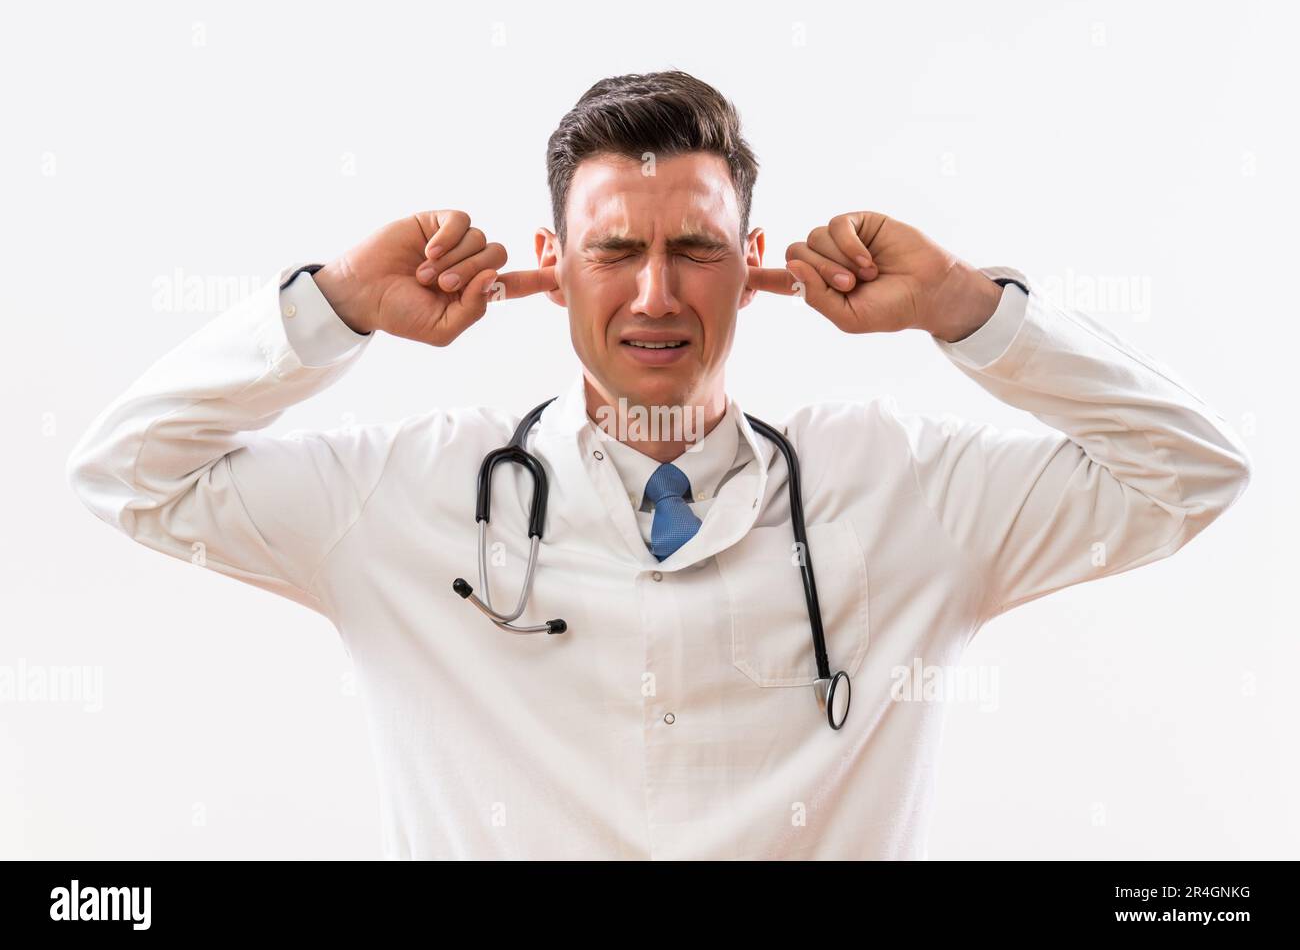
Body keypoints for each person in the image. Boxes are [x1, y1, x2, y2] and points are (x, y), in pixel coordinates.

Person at [66, 70, 1251, 860]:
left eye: (694, 248)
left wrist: (963, 307)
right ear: (549, 261)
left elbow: (1190, 472)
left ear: (751, 261)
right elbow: (127, 470)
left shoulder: (898, 488)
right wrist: (332, 309)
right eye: (613, 249)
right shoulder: (410, 493)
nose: (653, 293)